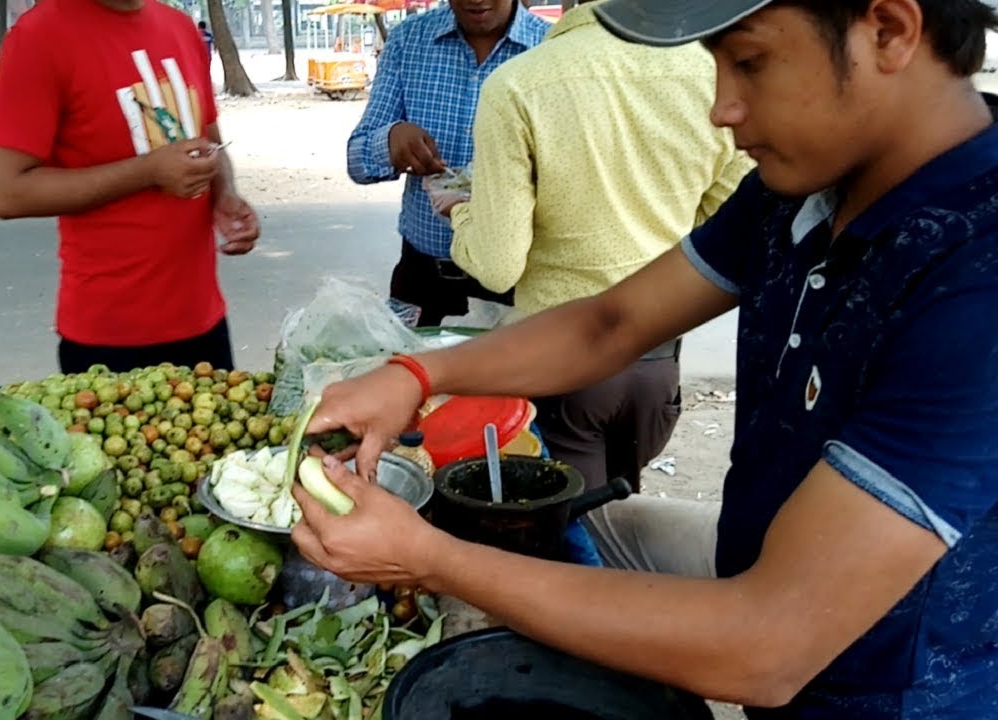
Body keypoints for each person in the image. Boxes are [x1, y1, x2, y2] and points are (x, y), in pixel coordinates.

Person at [293, 0, 998, 717]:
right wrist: (414, 374)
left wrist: (428, 558)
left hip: (877, 692)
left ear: (889, 31)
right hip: (752, 571)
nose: (722, 108)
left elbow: (769, 643)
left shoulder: (973, 282)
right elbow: (611, 322)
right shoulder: (801, 190)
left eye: (750, 62)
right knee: (567, 532)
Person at [436, 0, 754, 494]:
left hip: (563, 365)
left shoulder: (520, 85)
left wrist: (460, 212)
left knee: (581, 535)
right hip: (656, 362)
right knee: (620, 515)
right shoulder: (711, 73)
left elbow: (498, 265)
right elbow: (731, 219)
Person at [0, 0, 261, 374]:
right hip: (107, 341)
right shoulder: (39, 37)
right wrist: (148, 172)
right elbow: (7, 192)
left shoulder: (180, 28)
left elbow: (207, 135)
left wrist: (223, 193)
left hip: (204, 324)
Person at [345, 0, 550, 327]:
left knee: (507, 379)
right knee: (408, 375)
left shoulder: (549, 51)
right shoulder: (408, 41)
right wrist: (391, 141)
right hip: (423, 280)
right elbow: (357, 158)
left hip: (520, 286)